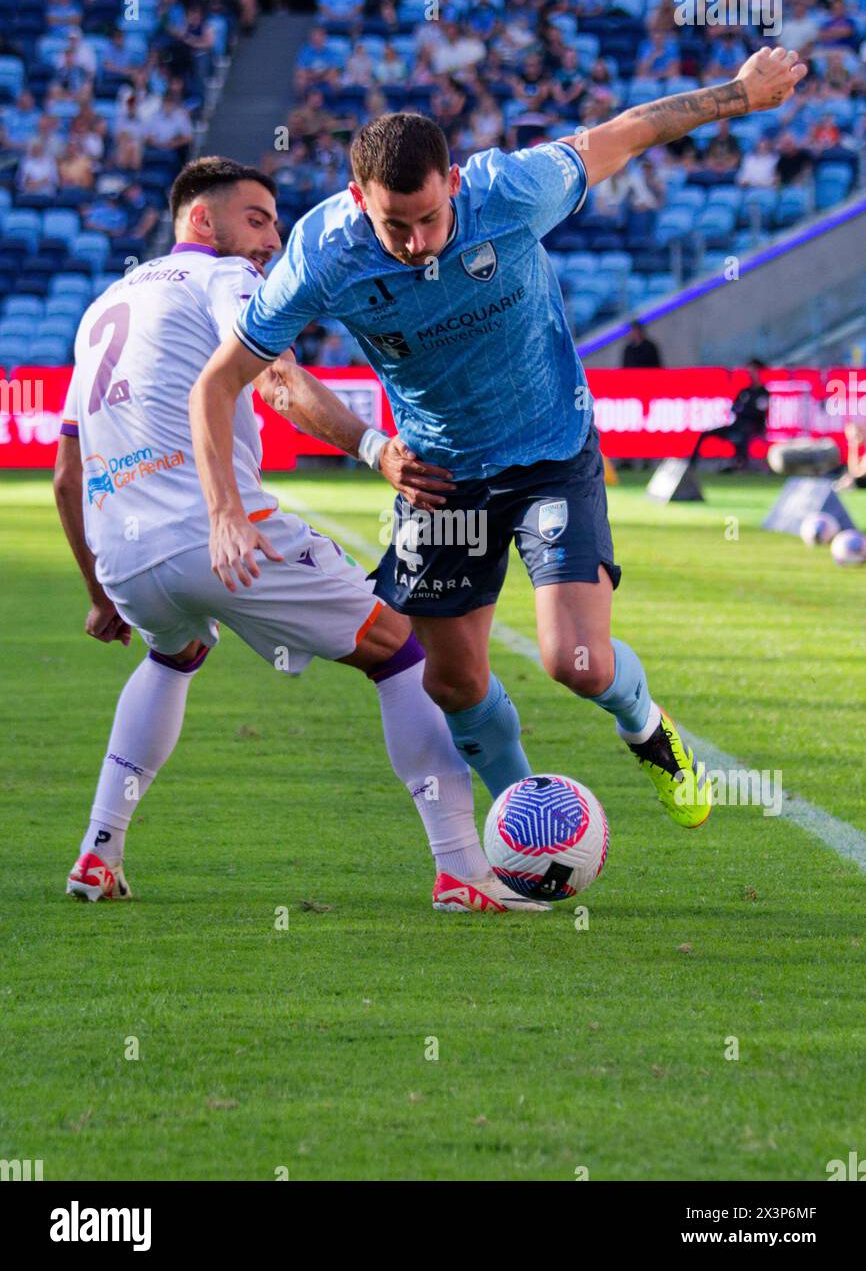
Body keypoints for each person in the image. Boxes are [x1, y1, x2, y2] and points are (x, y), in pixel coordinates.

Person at [187, 52, 810, 839]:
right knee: (452, 680)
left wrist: (739, 95)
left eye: (429, 218)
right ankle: (538, 824)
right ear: (357, 201)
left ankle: (649, 729)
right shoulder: (322, 254)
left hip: (549, 447)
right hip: (441, 477)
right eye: (394, 226)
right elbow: (224, 383)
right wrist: (238, 505)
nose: (416, 243)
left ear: (453, 184)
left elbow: (630, 132)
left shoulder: (515, 188)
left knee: (574, 662)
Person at [55, 157, 538, 915]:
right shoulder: (223, 280)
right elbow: (277, 380)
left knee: (173, 654)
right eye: (256, 219)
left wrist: (99, 592)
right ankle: (462, 869)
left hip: (123, 549)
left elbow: (65, 475)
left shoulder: (102, 308)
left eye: (276, 224)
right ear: (202, 222)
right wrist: (374, 447)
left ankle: (98, 852)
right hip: (216, 532)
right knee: (402, 646)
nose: (271, 239)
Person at [691, 359, 770, 469]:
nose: (750, 374)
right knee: (705, 434)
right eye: (749, 371)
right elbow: (734, 408)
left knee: (744, 435)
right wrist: (743, 410)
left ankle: (741, 464)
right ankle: (691, 465)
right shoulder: (744, 391)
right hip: (738, 424)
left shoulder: (763, 393)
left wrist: (745, 411)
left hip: (753, 427)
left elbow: (757, 413)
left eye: (753, 371)